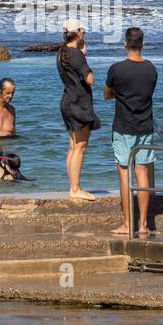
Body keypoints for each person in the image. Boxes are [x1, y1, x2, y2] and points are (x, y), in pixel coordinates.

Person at [104, 26, 159, 236]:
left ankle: (128, 224)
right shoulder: (151, 69)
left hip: (123, 126)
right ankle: (144, 224)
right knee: (142, 172)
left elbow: (107, 94)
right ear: (142, 44)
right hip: (145, 125)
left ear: (125, 43)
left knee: (125, 173)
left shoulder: (116, 69)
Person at [57, 19, 100, 200]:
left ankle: (73, 186)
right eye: (83, 32)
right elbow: (89, 79)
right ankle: (75, 189)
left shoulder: (61, 52)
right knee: (80, 147)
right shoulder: (75, 53)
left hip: (68, 101)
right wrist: (84, 56)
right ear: (79, 33)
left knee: (73, 146)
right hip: (78, 103)